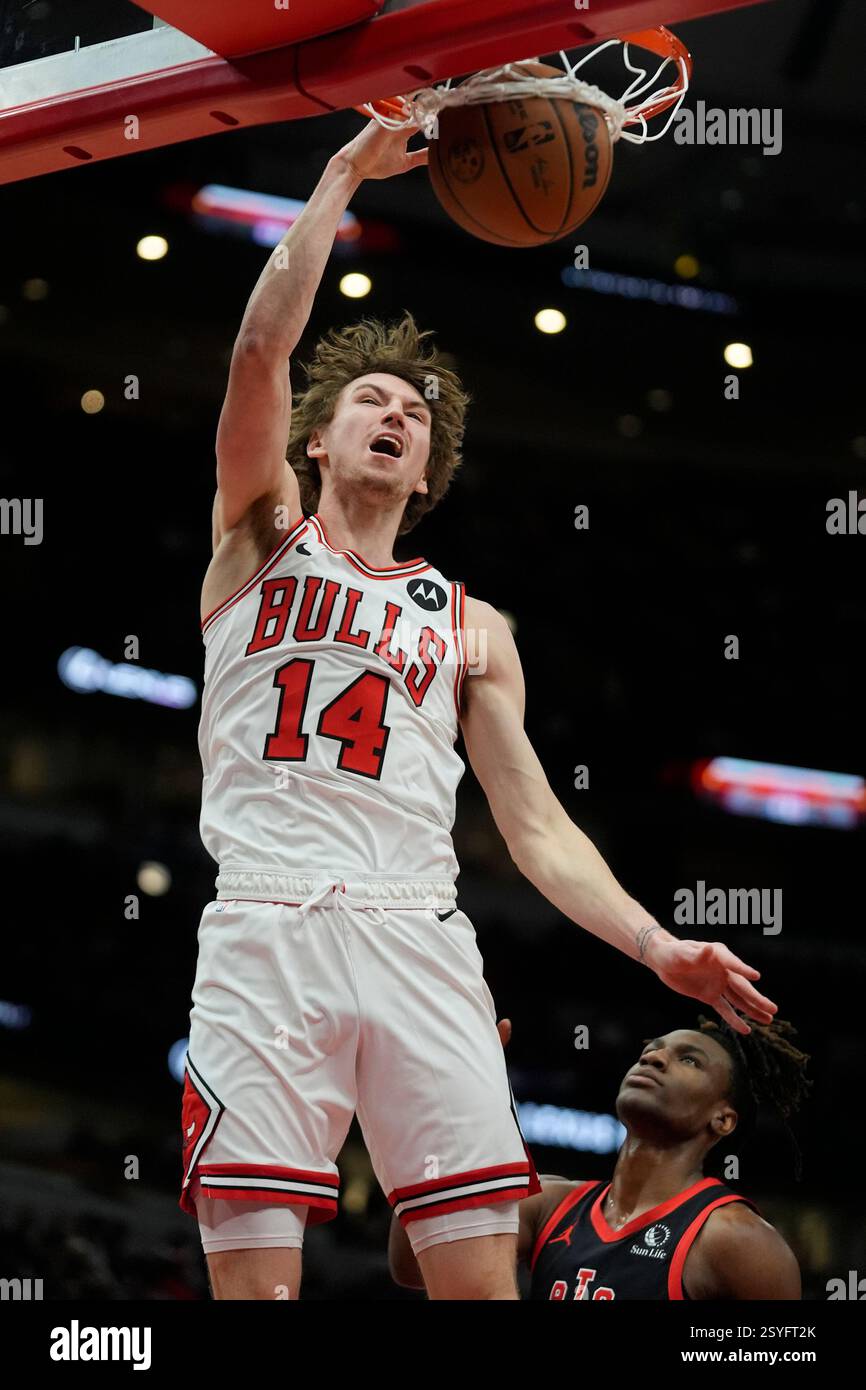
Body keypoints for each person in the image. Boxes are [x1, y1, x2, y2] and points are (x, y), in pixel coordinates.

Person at [178, 115, 778, 1301]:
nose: (395, 416)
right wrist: (342, 173)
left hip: (418, 935)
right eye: (370, 402)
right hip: (264, 926)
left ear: (427, 465)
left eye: (413, 413)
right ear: (314, 438)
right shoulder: (255, 538)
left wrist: (656, 944)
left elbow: (536, 826)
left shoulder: (471, 626)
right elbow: (257, 348)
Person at [389, 1015, 810, 1299]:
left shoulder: (739, 1241)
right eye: (652, 1050)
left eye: (689, 1060)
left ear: (722, 1119)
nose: (654, 1057)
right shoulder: (550, 1203)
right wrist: (445, 1099)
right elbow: (414, 1265)